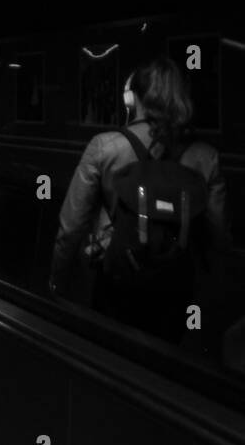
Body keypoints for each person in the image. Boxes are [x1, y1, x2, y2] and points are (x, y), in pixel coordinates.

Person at [50, 57, 229, 344]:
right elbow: (218, 240)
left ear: (133, 99)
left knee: (112, 355)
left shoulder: (104, 147)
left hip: (117, 279)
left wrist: (56, 283)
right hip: (175, 287)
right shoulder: (206, 157)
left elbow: (70, 227)